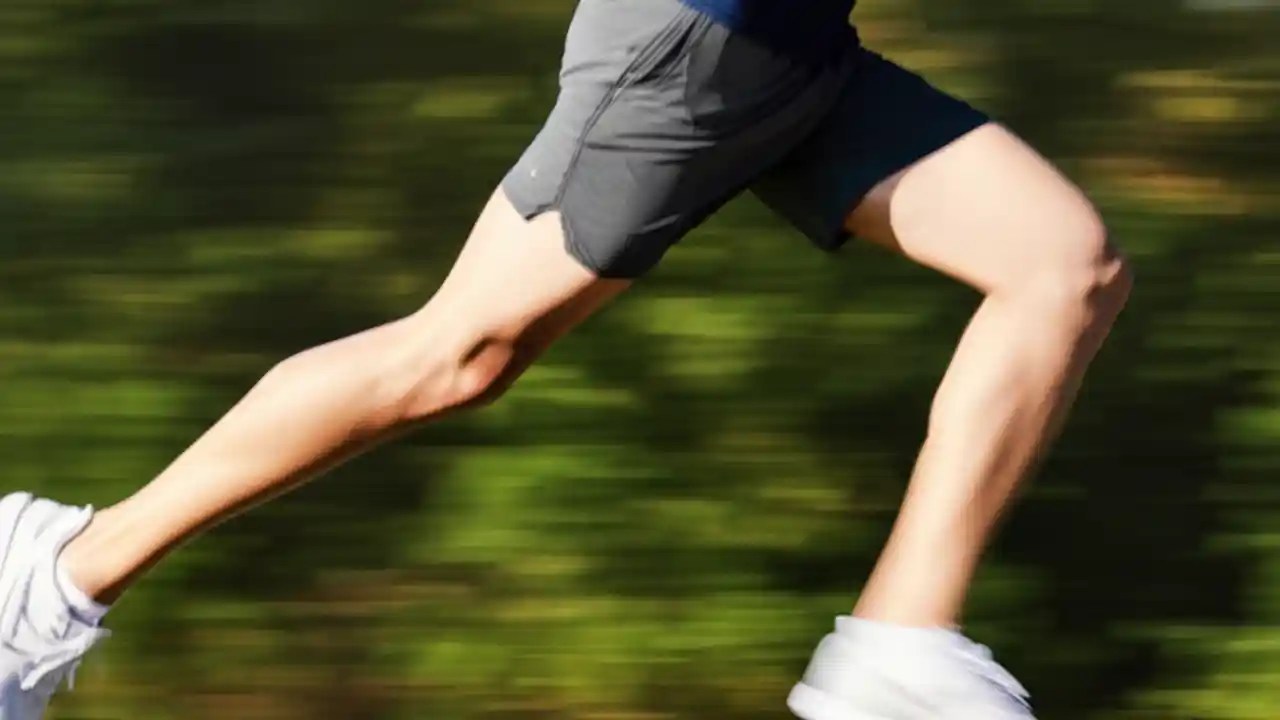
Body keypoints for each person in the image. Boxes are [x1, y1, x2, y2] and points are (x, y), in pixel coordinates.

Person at [0, 0, 1132, 717]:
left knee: (1061, 266)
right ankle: (59, 569)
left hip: (800, 55)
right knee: (456, 354)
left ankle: (897, 653)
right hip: (698, 36)